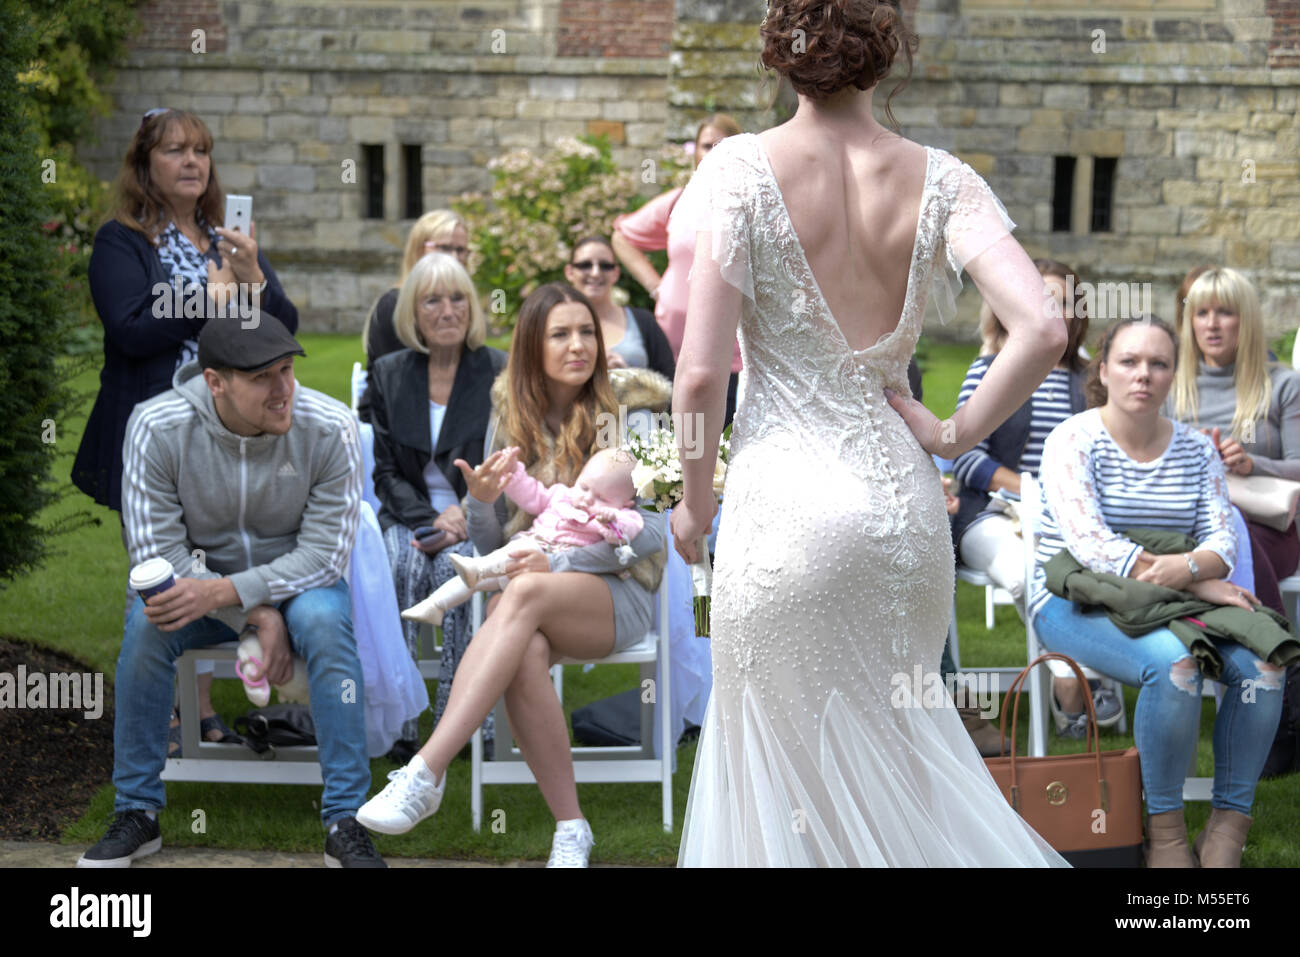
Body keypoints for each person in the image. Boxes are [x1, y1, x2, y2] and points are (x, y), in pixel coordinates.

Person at [667, 0, 1069, 866]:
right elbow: (1042, 326)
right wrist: (954, 427)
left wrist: (696, 509)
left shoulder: (739, 168)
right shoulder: (942, 177)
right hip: (902, 512)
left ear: (781, 59)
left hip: (785, 513)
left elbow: (701, 376)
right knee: (903, 759)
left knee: (784, 778)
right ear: (885, 60)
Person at [355, 283, 671, 867]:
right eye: (560, 334)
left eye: (586, 332)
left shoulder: (638, 408)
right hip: (534, 592)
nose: (578, 345)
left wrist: (563, 561)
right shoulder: (509, 414)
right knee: (522, 642)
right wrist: (478, 501)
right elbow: (490, 544)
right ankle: (572, 830)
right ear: (532, 346)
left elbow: (654, 532)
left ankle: (427, 769)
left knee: (519, 594)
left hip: (618, 595)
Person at [79, 315, 384, 868]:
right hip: (196, 583)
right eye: (263, 377)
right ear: (215, 381)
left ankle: (346, 819)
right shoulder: (157, 425)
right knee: (148, 624)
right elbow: (156, 558)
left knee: (323, 623)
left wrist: (245, 601)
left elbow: (324, 556)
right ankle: (137, 812)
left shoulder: (329, 426)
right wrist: (254, 615)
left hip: (298, 583)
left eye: (288, 370)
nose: (283, 389)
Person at [71, 107, 299, 750]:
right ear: (146, 164)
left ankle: (197, 713)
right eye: (175, 151)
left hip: (227, 435)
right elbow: (129, 326)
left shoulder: (225, 236)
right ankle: (155, 723)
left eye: (200, 151)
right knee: (155, 569)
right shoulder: (122, 241)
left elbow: (281, 327)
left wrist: (252, 277)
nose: (192, 162)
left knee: (208, 565)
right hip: (156, 434)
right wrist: (210, 297)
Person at [1031, 315, 1285, 867]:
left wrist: (1190, 571)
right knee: (1177, 665)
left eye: (1159, 363)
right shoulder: (1073, 440)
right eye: (1128, 361)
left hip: (1181, 597)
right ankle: (1165, 833)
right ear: (1103, 370)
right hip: (1077, 597)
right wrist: (1196, 576)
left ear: (1174, 373)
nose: (1143, 374)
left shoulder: (1197, 450)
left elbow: (1223, 538)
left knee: (1265, 665)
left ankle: (1226, 830)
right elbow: (1093, 545)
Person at [950, 258, 1117, 743]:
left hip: (1074, 518)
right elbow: (964, 455)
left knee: (1094, 573)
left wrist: (1066, 503)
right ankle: (1074, 678)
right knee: (1028, 572)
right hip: (993, 515)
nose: (1054, 311)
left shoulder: (1092, 380)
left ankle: (1079, 681)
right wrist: (1034, 493)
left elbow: (1108, 456)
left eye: (1064, 302)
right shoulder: (989, 369)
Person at [366, 253, 505, 761]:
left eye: (457, 299)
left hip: (483, 513)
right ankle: (399, 719)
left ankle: (464, 720)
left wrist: (464, 515)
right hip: (411, 514)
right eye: (432, 300)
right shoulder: (388, 374)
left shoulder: (497, 371)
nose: (447, 311)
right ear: (413, 313)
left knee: (468, 572)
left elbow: (509, 461)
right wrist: (430, 520)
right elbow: (384, 471)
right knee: (398, 563)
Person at [1169, 266, 1300, 778]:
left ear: (1247, 320)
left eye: (1226, 312)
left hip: (1274, 527)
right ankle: (1285, 687)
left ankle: (1278, 690)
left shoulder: (1282, 384)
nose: (1213, 324)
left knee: (1240, 535)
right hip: (1194, 529)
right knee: (1226, 536)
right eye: (1201, 312)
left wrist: (1252, 461)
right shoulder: (1172, 382)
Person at [401, 447, 644, 625]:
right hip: (525, 554)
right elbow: (531, 495)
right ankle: (435, 606)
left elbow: (627, 533)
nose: (587, 499)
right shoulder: (562, 495)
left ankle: (477, 568)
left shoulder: (622, 516)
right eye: (584, 487)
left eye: (602, 497)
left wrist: (610, 519)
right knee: (472, 582)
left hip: (555, 567)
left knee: (504, 559)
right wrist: (513, 473)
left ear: (626, 502)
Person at [613, 114, 742, 424]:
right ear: (695, 152)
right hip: (672, 346)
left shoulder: (749, 205)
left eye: (723, 145)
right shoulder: (678, 203)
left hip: (730, 355)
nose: (713, 153)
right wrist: (656, 286)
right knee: (671, 444)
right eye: (706, 145)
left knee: (721, 443)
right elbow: (622, 236)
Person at [361, 209, 471, 373]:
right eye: (445, 248)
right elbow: (395, 381)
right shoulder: (393, 305)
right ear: (419, 250)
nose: (455, 258)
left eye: (461, 250)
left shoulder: (465, 303)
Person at [563, 236, 675, 380]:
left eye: (605, 266)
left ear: (615, 273)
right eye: (585, 265)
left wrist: (626, 380)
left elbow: (669, 383)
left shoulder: (643, 321)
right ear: (569, 272)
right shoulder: (552, 323)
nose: (595, 272)